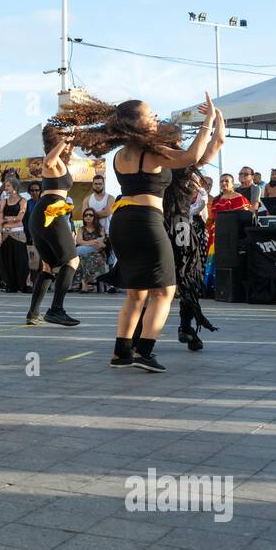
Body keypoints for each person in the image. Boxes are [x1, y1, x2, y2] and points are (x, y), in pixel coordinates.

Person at [92, 93, 216, 372]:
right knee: (165, 291)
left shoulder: (120, 155)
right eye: (150, 115)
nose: (156, 117)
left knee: (136, 293)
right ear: (137, 124)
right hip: (145, 221)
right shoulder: (152, 152)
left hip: (122, 221)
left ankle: (122, 353)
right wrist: (207, 123)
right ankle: (144, 353)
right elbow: (191, 156)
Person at [134, 106, 226, 352]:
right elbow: (219, 140)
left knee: (150, 281)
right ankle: (186, 327)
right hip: (182, 225)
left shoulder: (153, 162)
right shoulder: (187, 163)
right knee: (188, 278)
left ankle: (136, 335)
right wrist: (217, 116)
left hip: (156, 223)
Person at [25, 121, 81, 326]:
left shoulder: (62, 162)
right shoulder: (52, 162)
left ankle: (33, 313)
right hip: (49, 211)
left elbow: (64, 152)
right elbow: (48, 161)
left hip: (45, 213)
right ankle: (56, 310)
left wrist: (72, 135)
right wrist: (65, 139)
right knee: (72, 261)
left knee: (48, 266)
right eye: (63, 139)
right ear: (56, 141)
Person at [0, 177, 30, 293]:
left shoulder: (23, 201)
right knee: (7, 260)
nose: (5, 188)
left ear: (15, 187)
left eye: (8, 186)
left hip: (18, 234)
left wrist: (5, 220)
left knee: (21, 260)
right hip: (5, 234)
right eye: (5, 186)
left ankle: (23, 284)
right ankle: (11, 285)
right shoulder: (3, 201)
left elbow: (19, 218)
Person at [75, 209, 106, 292]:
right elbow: (79, 241)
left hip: (97, 253)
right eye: (86, 215)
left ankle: (84, 285)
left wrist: (86, 243)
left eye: (91, 215)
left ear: (94, 217)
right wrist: (92, 242)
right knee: (80, 258)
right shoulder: (81, 229)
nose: (88, 217)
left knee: (89, 258)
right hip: (84, 252)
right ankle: (85, 285)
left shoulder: (100, 229)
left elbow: (101, 244)